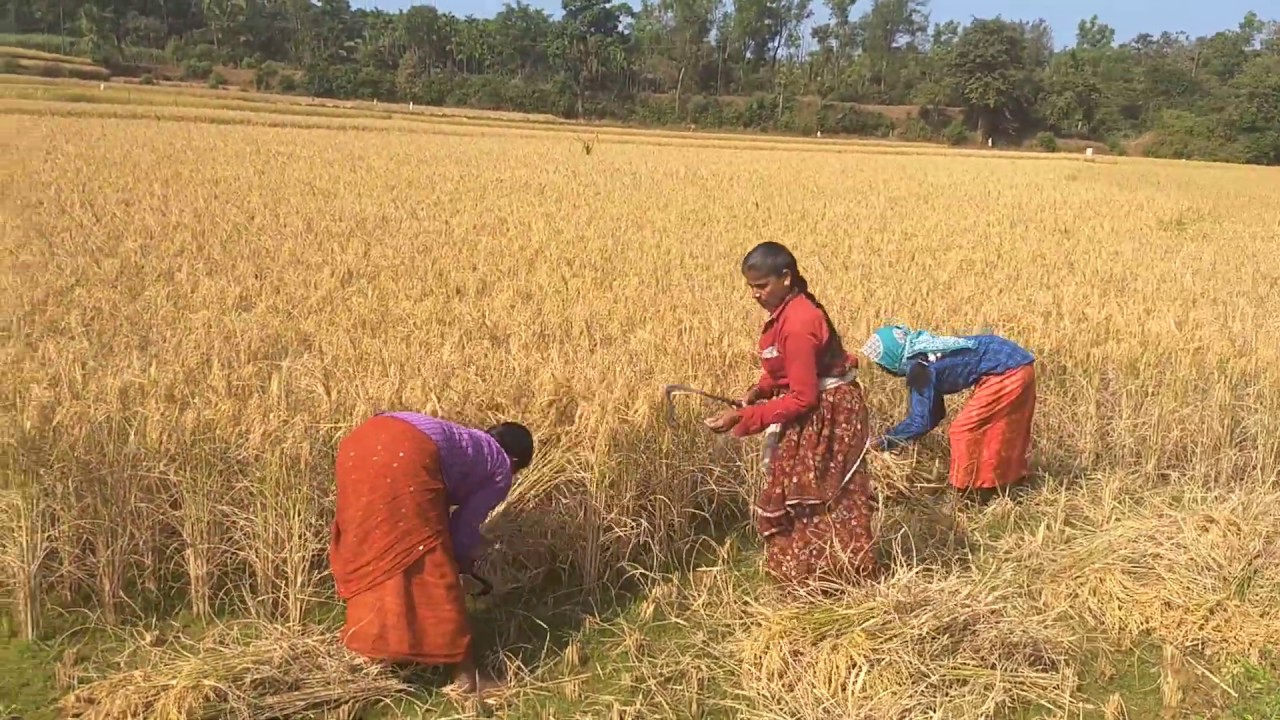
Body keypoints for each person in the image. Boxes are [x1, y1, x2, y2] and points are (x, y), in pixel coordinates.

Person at [703, 241, 881, 589]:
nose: (755, 294)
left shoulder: (798, 321)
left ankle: (833, 578)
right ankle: (809, 576)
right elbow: (783, 370)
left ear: (786, 278)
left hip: (829, 415)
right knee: (800, 490)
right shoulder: (788, 312)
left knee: (818, 495)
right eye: (750, 287)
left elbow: (802, 396)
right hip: (818, 408)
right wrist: (758, 392)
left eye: (761, 286)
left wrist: (744, 417)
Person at [328, 411, 534, 694]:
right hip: (407, 451)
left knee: (376, 551)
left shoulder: (469, 442)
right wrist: (463, 563)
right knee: (432, 562)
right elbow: (461, 531)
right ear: (515, 462)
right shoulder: (500, 466)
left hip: (360, 442)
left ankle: (374, 652)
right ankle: (467, 679)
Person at [860, 324, 1036, 499]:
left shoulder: (920, 368)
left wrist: (886, 442)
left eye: (882, 365)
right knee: (1002, 428)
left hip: (1007, 373)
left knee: (963, 430)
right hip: (1018, 363)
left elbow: (921, 421)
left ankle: (967, 490)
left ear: (892, 358)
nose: (883, 370)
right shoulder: (924, 349)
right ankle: (1009, 481)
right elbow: (933, 415)